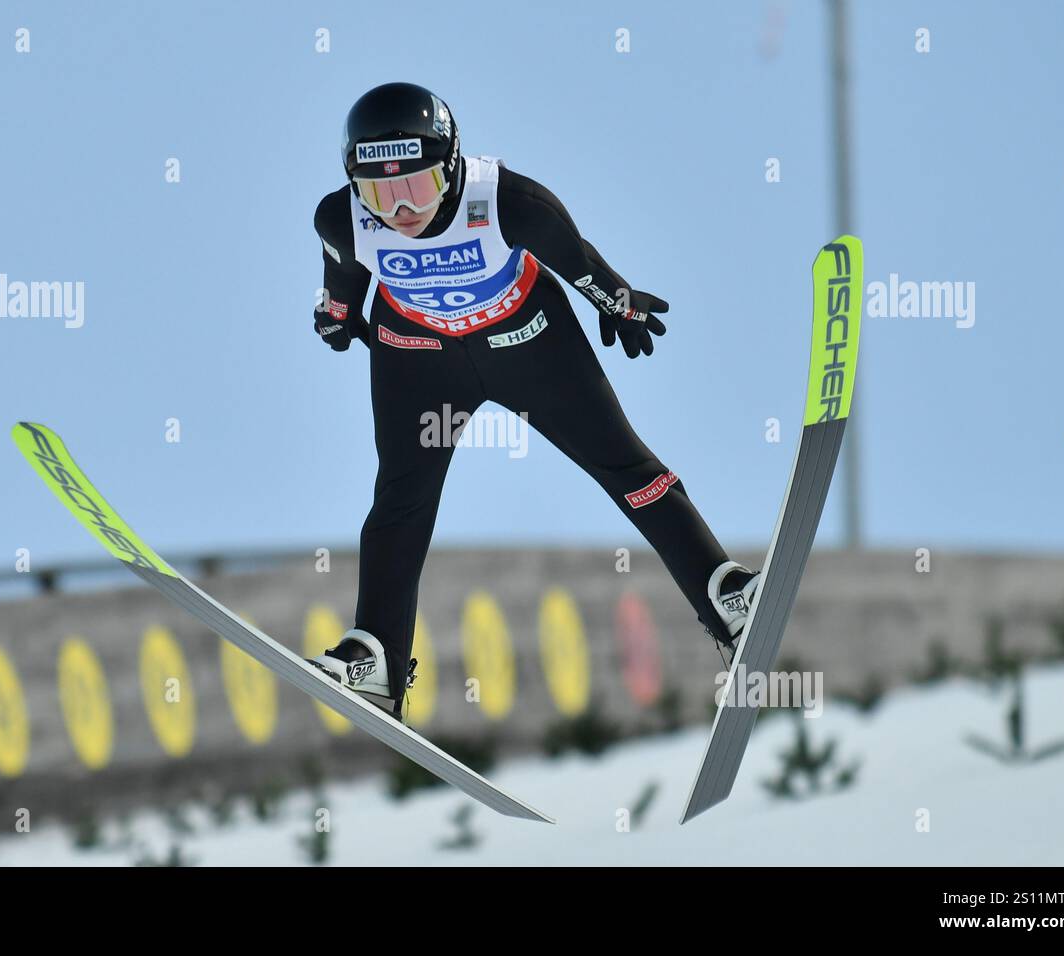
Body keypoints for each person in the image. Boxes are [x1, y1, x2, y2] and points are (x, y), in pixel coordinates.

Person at [309, 82, 758, 716]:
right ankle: (377, 654)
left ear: (453, 163)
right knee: (399, 503)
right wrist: (335, 317)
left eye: (417, 183)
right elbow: (343, 285)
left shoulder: (511, 203)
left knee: (624, 465)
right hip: (420, 360)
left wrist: (620, 304)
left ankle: (723, 593)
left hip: (527, 343)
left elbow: (580, 264)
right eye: (381, 191)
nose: (401, 209)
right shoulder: (340, 218)